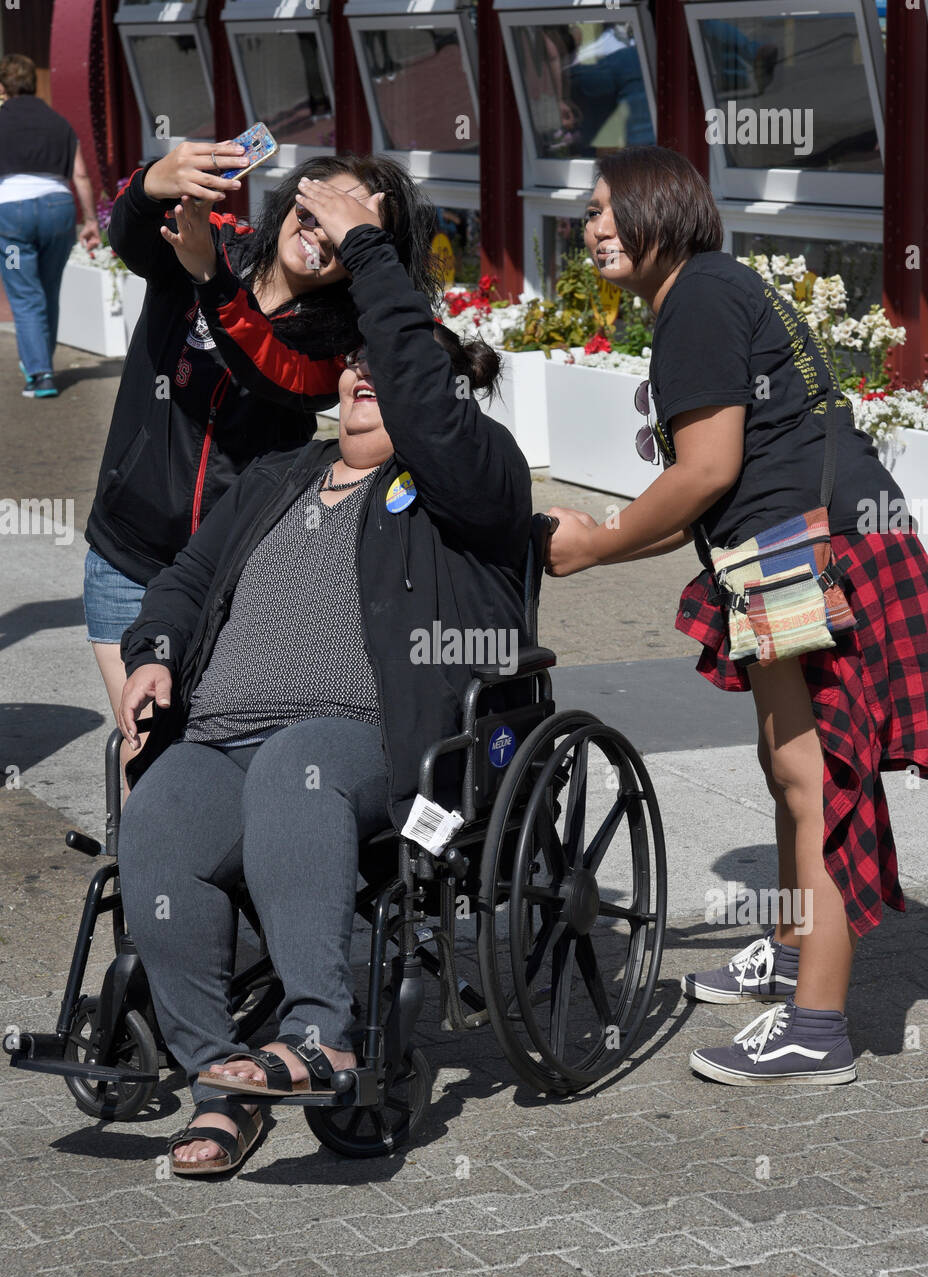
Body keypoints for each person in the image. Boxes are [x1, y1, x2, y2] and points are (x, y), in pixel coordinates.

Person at [114, 178, 532, 1175]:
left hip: (365, 738)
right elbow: (181, 584)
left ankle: (318, 1033)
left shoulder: (468, 482)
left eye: (383, 372)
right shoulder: (276, 477)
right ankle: (224, 1085)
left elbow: (426, 407)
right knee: (162, 816)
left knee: (295, 768)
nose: (358, 381)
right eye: (352, 369)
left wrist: (372, 254)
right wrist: (152, 657)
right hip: (221, 734)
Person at [545, 145, 928, 1088]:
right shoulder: (707, 290)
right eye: (586, 214)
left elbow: (707, 470)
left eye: (607, 209)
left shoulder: (700, 299)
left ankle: (817, 1029)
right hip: (791, 549)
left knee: (816, 780)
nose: (592, 228)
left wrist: (597, 542)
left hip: (808, 552)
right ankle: (798, 948)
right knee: (784, 760)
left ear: (660, 208)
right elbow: (715, 480)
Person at [82, 146, 442, 788]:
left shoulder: (340, 339)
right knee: (149, 750)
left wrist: (209, 282)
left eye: (341, 227)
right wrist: (151, 186)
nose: (317, 234)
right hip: (127, 553)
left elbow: (274, 368)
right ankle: (145, 874)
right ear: (292, 202)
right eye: (313, 212)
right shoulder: (216, 241)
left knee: (205, 761)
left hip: (231, 576)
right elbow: (135, 240)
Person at [0, 53, 100, 398]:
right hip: (59, 208)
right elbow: (81, 175)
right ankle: (39, 360)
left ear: (2, 87)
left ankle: (40, 374)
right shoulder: (60, 123)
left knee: (26, 296)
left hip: (11, 212)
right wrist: (90, 221)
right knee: (47, 289)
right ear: (33, 84)